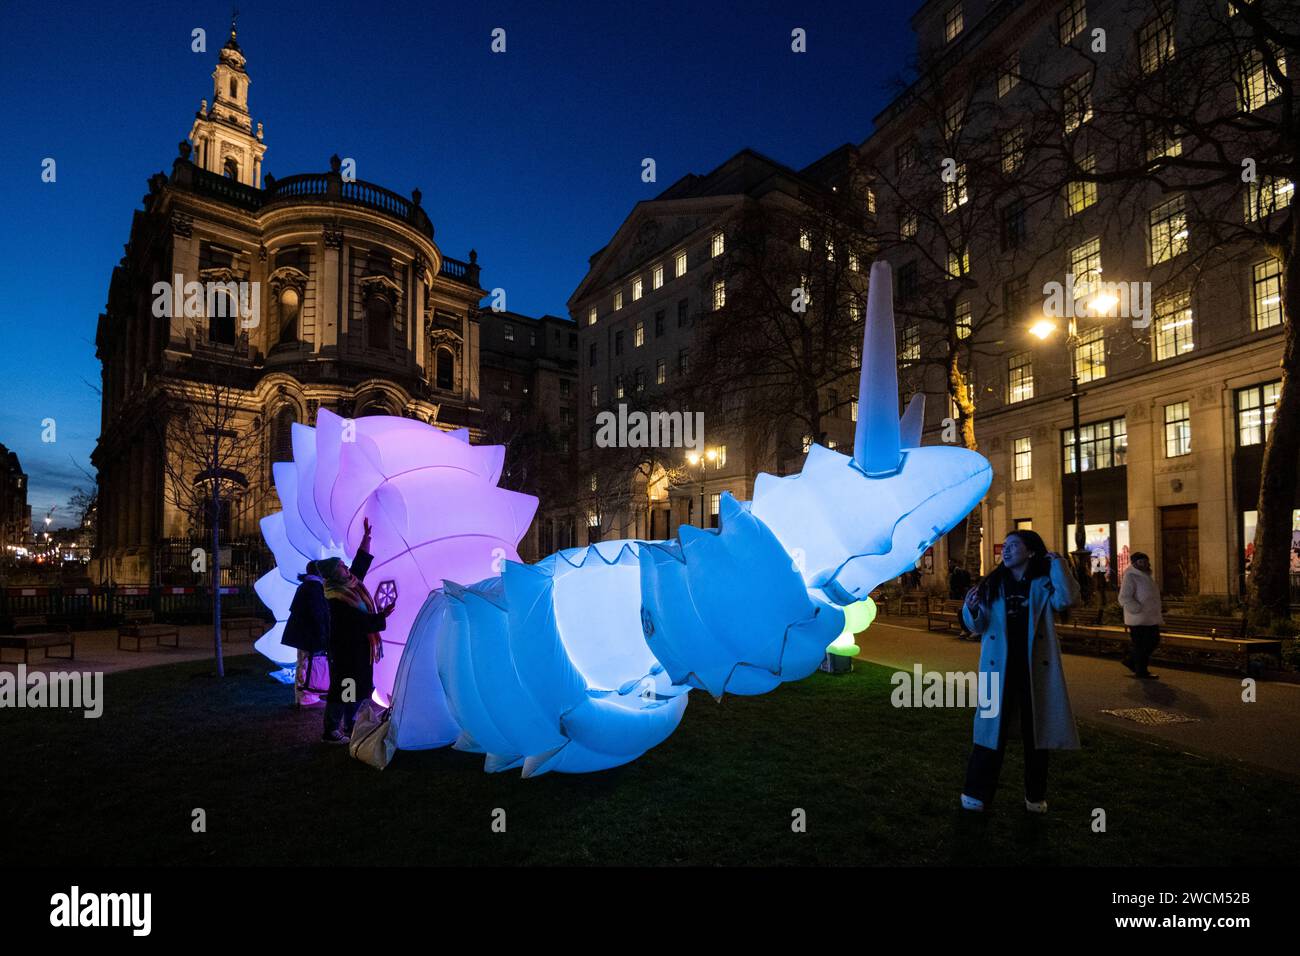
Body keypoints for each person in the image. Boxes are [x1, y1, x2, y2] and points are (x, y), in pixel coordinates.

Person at [959, 530, 1081, 814]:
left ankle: (1035, 796)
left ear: (1030, 551)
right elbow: (976, 626)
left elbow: (1067, 600)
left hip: (1034, 671)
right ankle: (975, 794)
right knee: (988, 735)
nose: (1007, 550)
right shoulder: (993, 583)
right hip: (996, 673)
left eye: (1014, 545)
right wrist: (971, 608)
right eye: (1007, 545)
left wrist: (1058, 564)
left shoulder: (1043, 583)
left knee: (1037, 735)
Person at [319, 519, 395, 744]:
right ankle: (332, 730)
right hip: (346, 651)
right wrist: (381, 617)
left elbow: (360, 564)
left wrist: (366, 538)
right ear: (335, 574)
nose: (346, 568)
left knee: (357, 688)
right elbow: (356, 623)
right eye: (342, 566)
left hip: (359, 649)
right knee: (345, 689)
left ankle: (349, 724)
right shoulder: (337, 597)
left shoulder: (350, 585)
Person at [282, 559, 330, 707]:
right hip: (309, 635)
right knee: (308, 664)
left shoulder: (306, 586)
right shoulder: (314, 588)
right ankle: (307, 698)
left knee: (304, 663)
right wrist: (323, 635)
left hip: (304, 634)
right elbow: (317, 614)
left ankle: (305, 696)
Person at [1117, 551, 1163, 680]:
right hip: (1138, 617)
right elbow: (1124, 597)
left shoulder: (1146, 575)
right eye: (1140, 562)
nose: (1144, 564)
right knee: (1144, 644)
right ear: (1134, 563)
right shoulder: (1131, 576)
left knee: (1150, 642)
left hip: (1148, 617)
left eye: (1145, 561)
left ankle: (1132, 662)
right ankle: (1140, 670)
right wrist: (1135, 608)